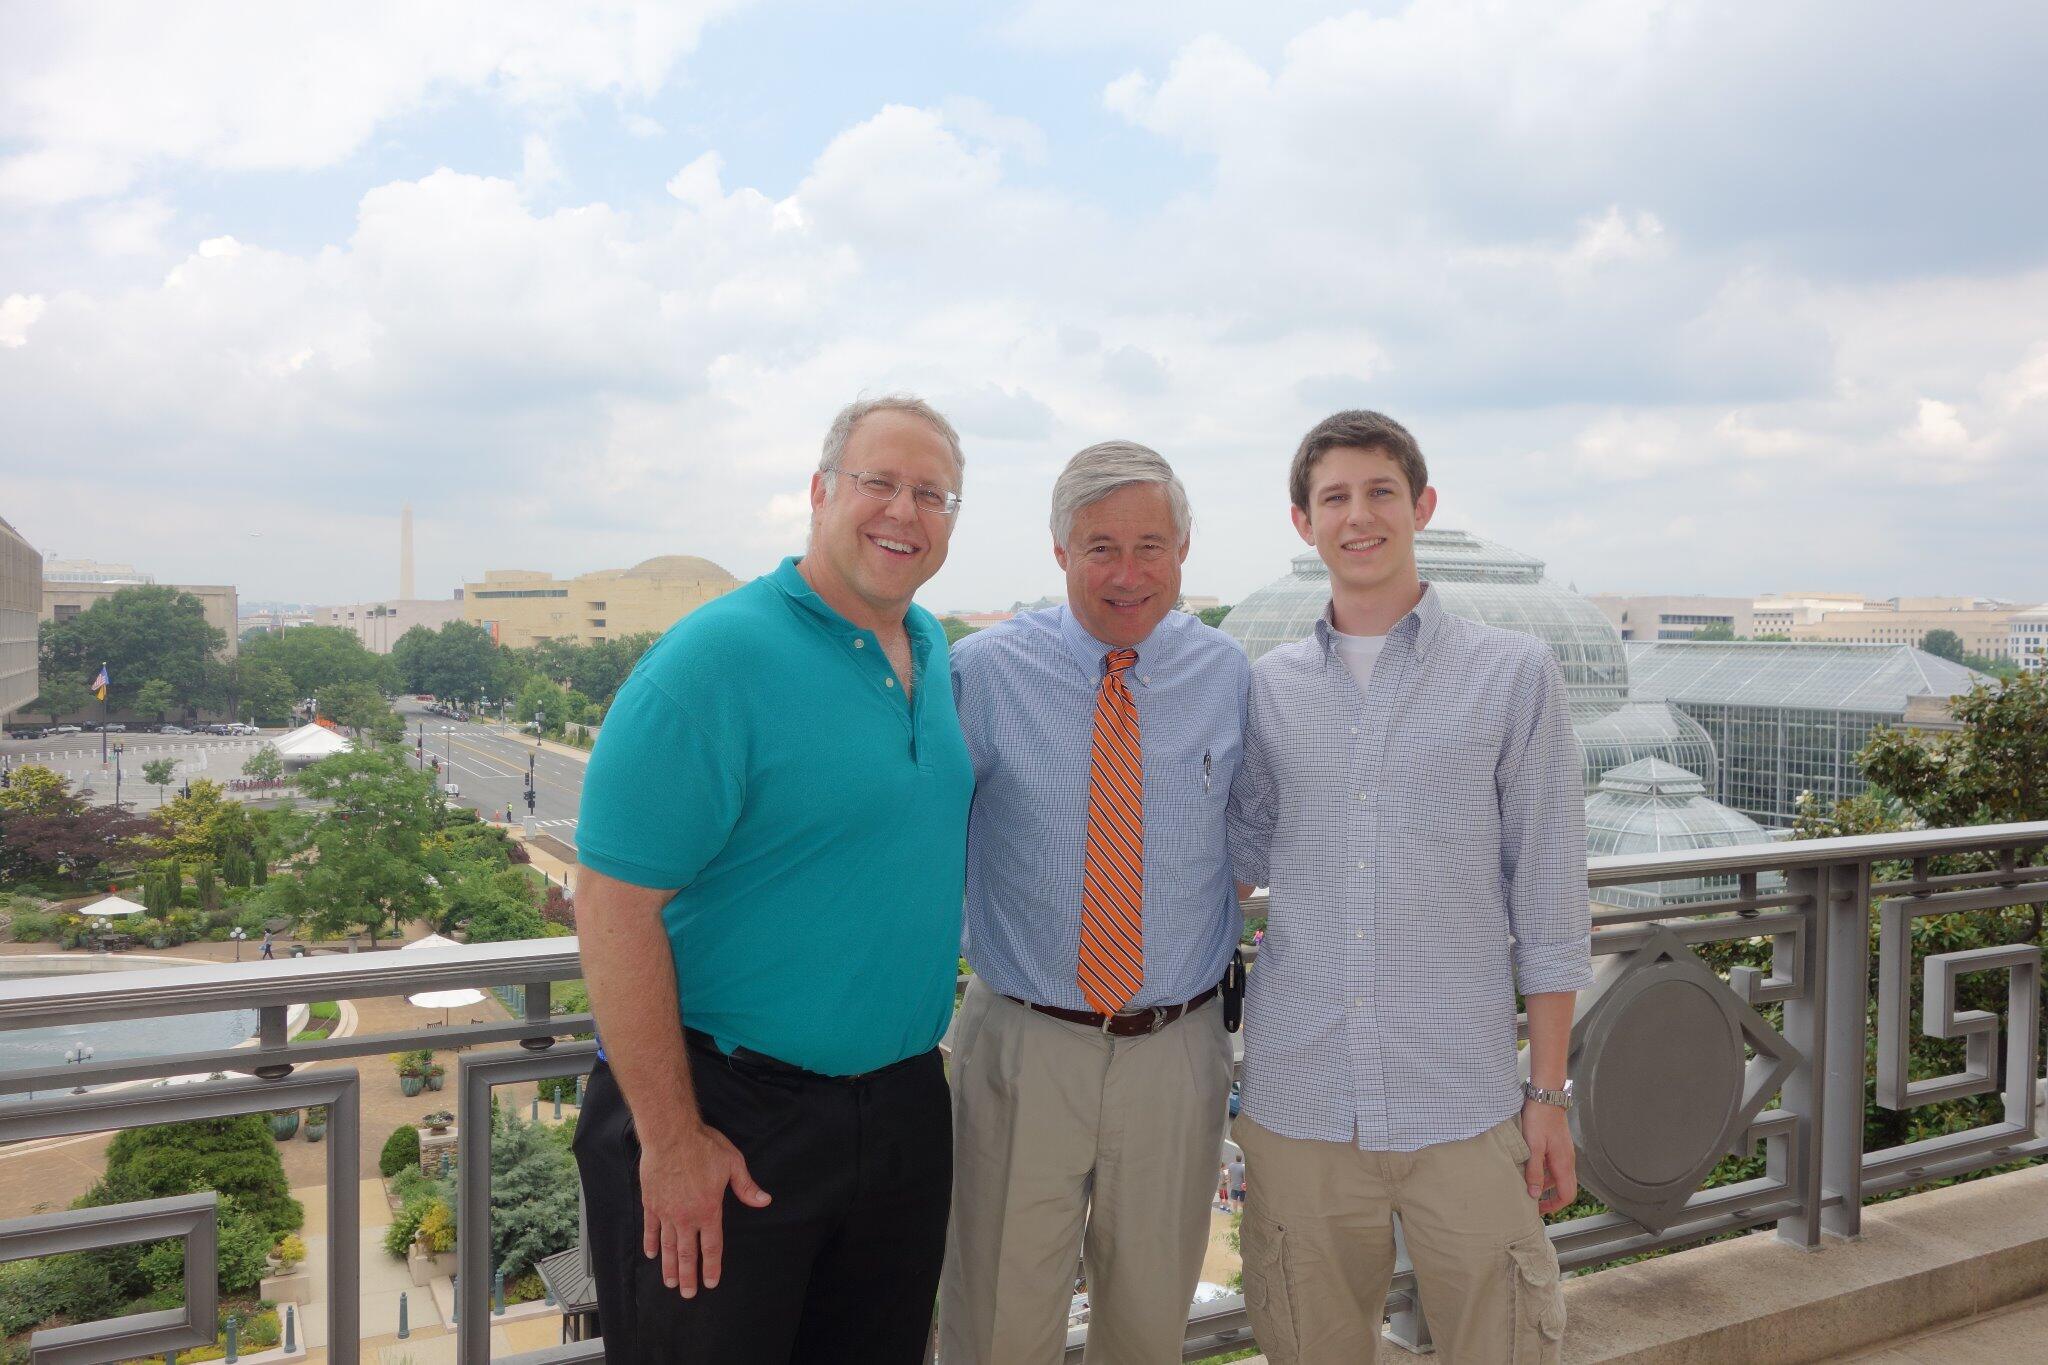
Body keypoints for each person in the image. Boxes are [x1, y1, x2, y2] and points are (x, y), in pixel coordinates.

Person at [570, 395, 974, 1364]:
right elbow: (611, 906)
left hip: (902, 1106)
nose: (904, 513)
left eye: (933, 494)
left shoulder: (929, 650)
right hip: (725, 1112)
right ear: (820, 491)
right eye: (879, 483)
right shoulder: (715, 660)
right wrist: (670, 1142)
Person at [1226, 410, 1592, 1363]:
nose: (1360, 516)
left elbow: (1550, 894)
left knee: (1507, 1345)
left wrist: (1547, 1093)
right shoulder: (1267, 686)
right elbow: (1230, 860)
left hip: (1465, 1103)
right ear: (1303, 522)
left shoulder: (1512, 673)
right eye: (1334, 497)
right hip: (1298, 1103)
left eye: (1380, 491)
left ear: (1422, 505)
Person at [941, 440, 1249, 1364]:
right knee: (996, 1324)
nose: (1127, 573)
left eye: (1150, 544)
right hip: (1023, 1046)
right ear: (1059, 550)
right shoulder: (983, 672)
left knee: (1150, 1326)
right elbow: (916, 838)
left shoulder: (1228, 674)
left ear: (1185, 548)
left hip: (1177, 1051)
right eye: (1100, 546)